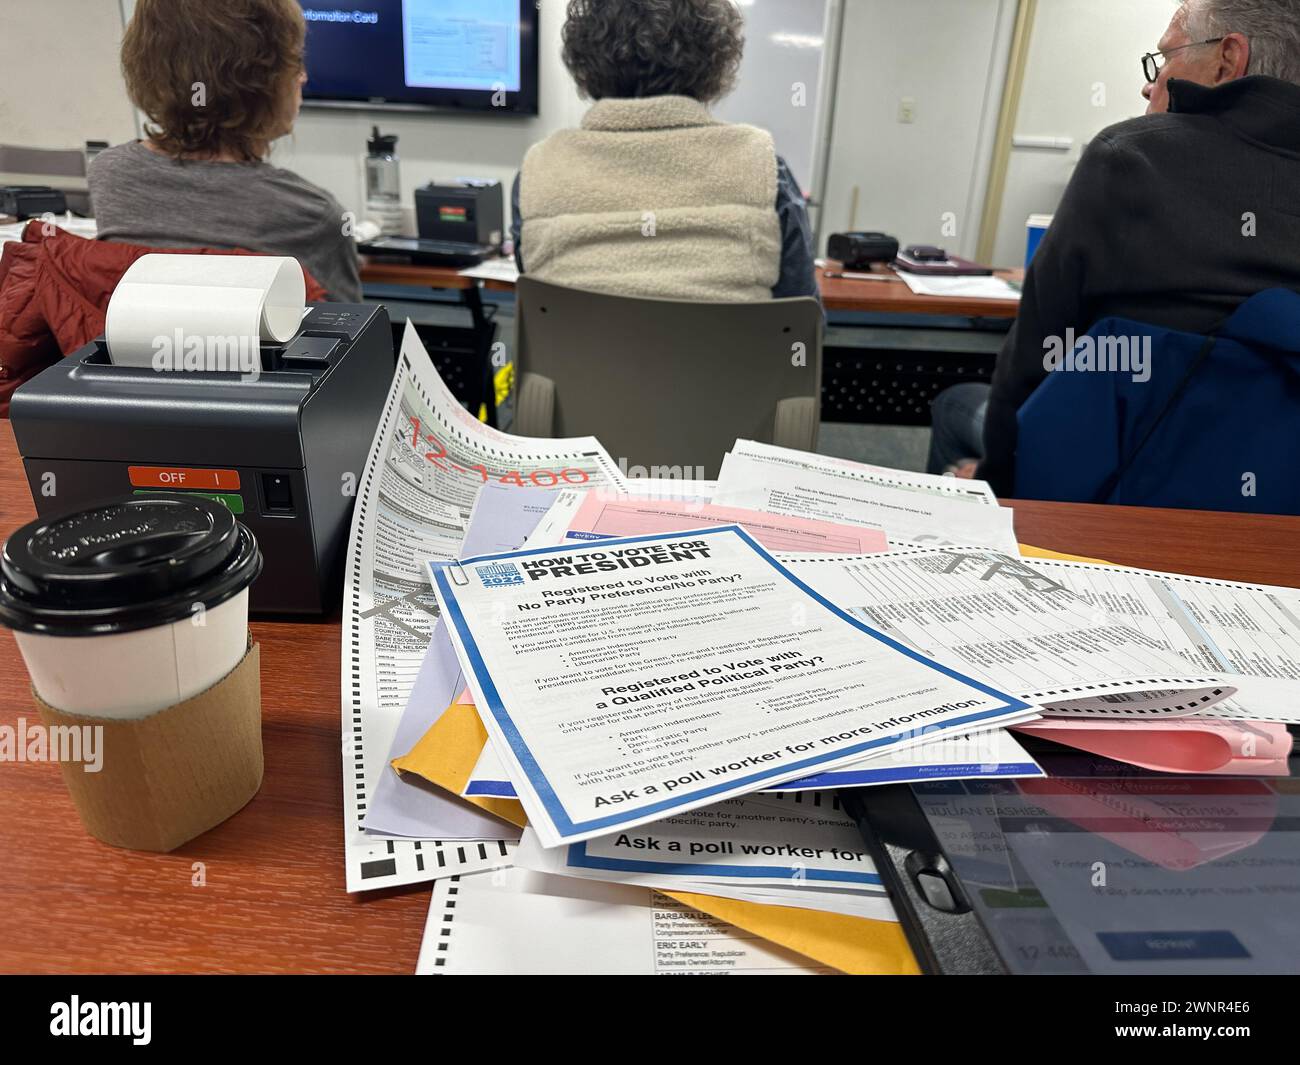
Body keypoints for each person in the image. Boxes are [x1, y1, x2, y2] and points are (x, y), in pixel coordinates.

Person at [927, 0, 1300, 494]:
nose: (1151, 81)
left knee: (956, 404)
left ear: (1227, 60)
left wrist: (999, 497)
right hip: (1272, 509)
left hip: (1111, 492)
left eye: (1165, 57)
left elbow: (1033, 364)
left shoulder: (1130, 158)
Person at [511, 0, 817, 303]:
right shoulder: (763, 168)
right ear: (715, 64)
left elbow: (541, 299)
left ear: (584, 68)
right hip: (721, 353)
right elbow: (801, 320)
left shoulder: (539, 172)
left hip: (575, 353)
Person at [89, 0, 361, 302]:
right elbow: (356, 340)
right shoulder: (313, 216)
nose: (303, 77)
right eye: (294, 60)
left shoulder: (111, 176)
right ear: (261, 83)